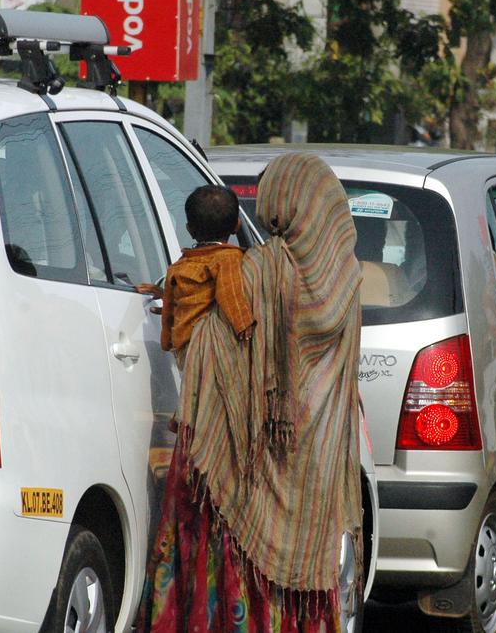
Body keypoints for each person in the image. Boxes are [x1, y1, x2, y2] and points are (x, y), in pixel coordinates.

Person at [136, 153, 363, 631]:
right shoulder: (346, 278)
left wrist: (182, 311)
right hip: (314, 459)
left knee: (232, 555)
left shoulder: (258, 271)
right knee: (299, 575)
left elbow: (207, 351)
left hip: (245, 460)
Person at [138, 184, 255, 360]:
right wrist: (244, 324)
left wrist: (167, 341)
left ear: (189, 230)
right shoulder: (228, 258)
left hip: (185, 350)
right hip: (212, 351)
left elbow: (170, 307)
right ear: (237, 226)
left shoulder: (178, 266)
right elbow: (230, 293)